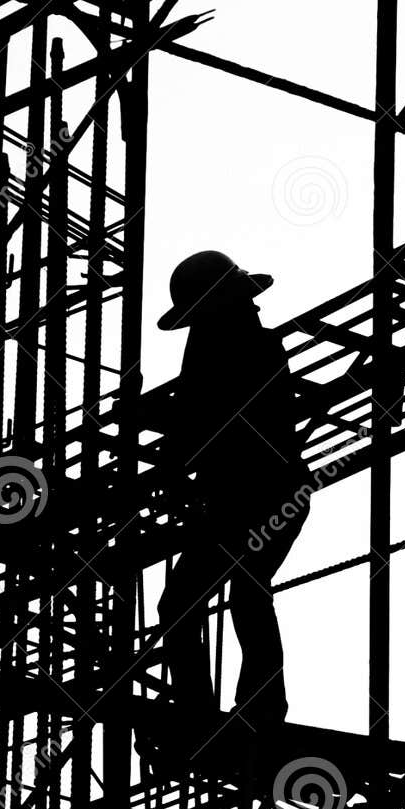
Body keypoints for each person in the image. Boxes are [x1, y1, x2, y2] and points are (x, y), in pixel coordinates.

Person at [150, 252, 317, 734]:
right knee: (243, 591)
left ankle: (223, 709)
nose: (255, 306)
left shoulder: (230, 348)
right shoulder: (232, 342)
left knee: (205, 598)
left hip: (256, 495)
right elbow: (197, 418)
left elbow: (197, 420)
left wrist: (175, 464)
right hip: (263, 494)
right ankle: (253, 708)